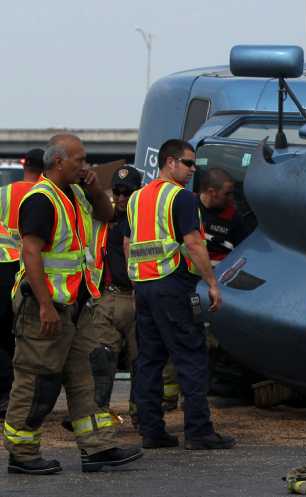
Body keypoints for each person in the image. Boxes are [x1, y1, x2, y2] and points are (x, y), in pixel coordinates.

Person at [3, 134, 143, 474]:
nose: (86, 165)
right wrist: (45, 306)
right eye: (79, 160)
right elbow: (31, 253)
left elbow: (109, 214)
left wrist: (95, 188)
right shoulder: (41, 199)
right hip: (45, 309)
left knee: (85, 377)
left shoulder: (76, 193)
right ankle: (22, 454)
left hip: (74, 308)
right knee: (36, 382)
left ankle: (97, 448)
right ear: (57, 162)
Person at [126, 139, 233, 450]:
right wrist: (212, 283)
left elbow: (130, 243)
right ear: (170, 162)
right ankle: (199, 431)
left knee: (149, 360)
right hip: (172, 283)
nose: (192, 170)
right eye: (187, 163)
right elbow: (195, 244)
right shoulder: (182, 198)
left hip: (144, 287)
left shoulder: (136, 198)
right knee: (191, 355)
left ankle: (151, 431)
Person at [77, 165, 179, 431]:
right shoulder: (102, 217)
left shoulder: (145, 221)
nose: (121, 198)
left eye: (127, 192)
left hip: (136, 298)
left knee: (142, 363)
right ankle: (97, 419)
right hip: (105, 299)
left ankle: (142, 417)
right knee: (101, 362)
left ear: (138, 192)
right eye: (118, 192)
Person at [0, 148, 43, 419]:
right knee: (24, 334)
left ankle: (8, 394)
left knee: (3, 332)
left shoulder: (4, 192)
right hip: (29, 269)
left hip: (2, 265)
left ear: (25, 164)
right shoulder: (45, 196)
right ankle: (21, 395)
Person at [196, 168, 249, 265]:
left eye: (232, 193)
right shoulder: (187, 206)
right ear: (212, 192)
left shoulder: (234, 217)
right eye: (227, 194)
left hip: (218, 275)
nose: (231, 198)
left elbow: (243, 253)